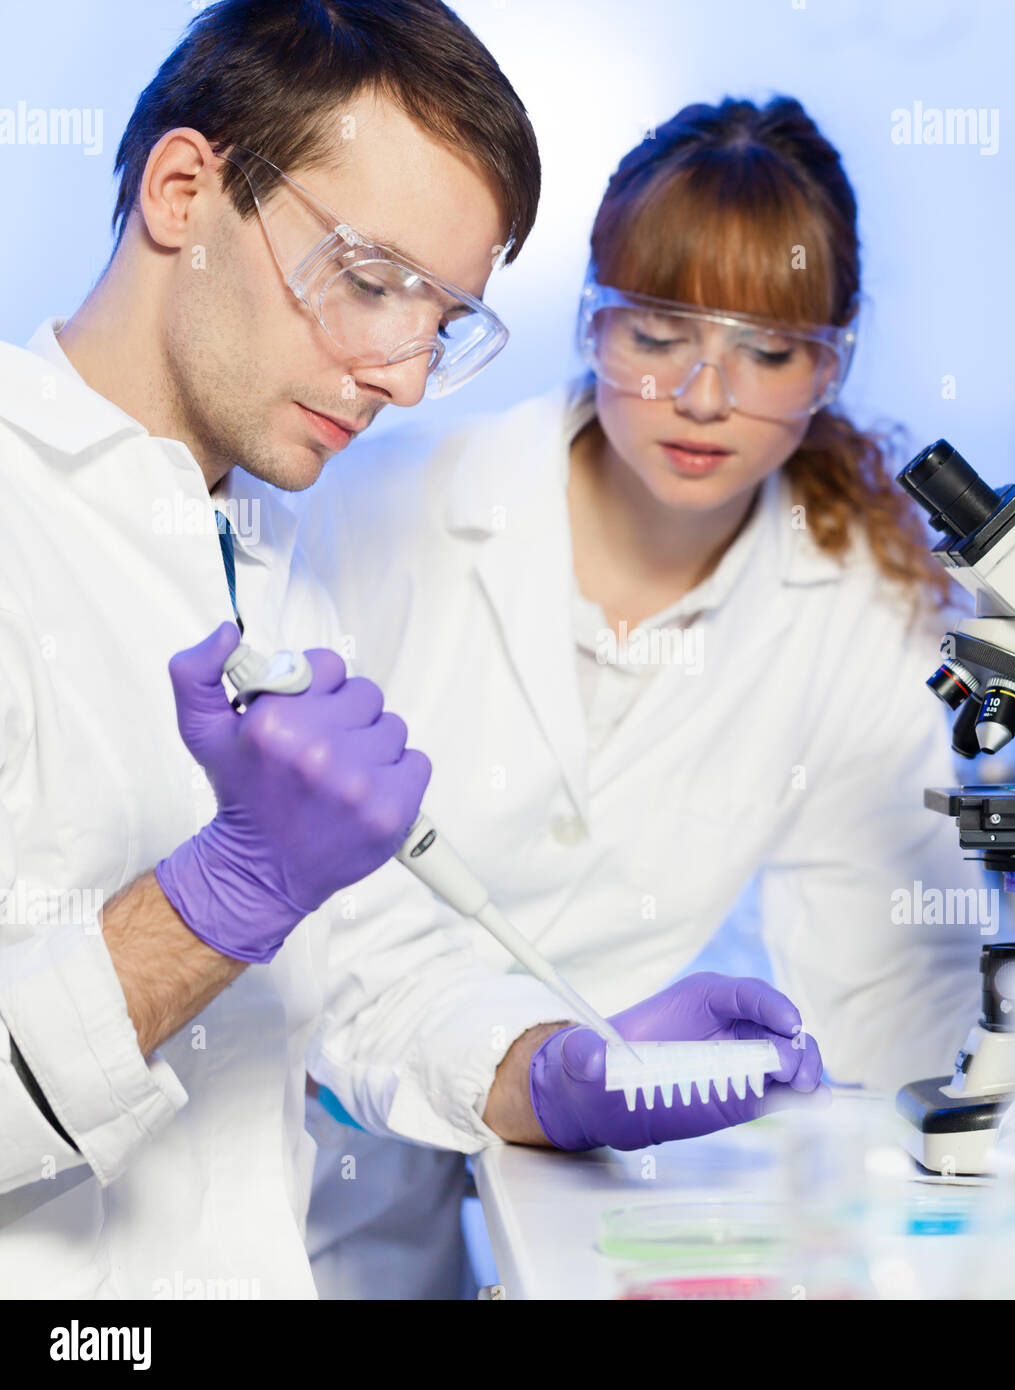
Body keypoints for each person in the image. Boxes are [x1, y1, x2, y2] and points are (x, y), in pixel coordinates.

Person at [0, 0, 804, 1298]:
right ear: (183, 191)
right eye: (369, 283)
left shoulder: (257, 562)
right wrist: (220, 897)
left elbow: (359, 986)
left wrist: (554, 1067)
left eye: (441, 321)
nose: (404, 376)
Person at [294, 94, 984, 1298]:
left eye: (768, 349)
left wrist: (929, 1187)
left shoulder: (857, 603)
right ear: (590, 324)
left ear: (829, 364)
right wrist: (525, 1064)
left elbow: (887, 972)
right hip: (300, 1143)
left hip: (569, 1165)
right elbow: (294, 892)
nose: (705, 395)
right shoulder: (392, 506)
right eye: (658, 332)